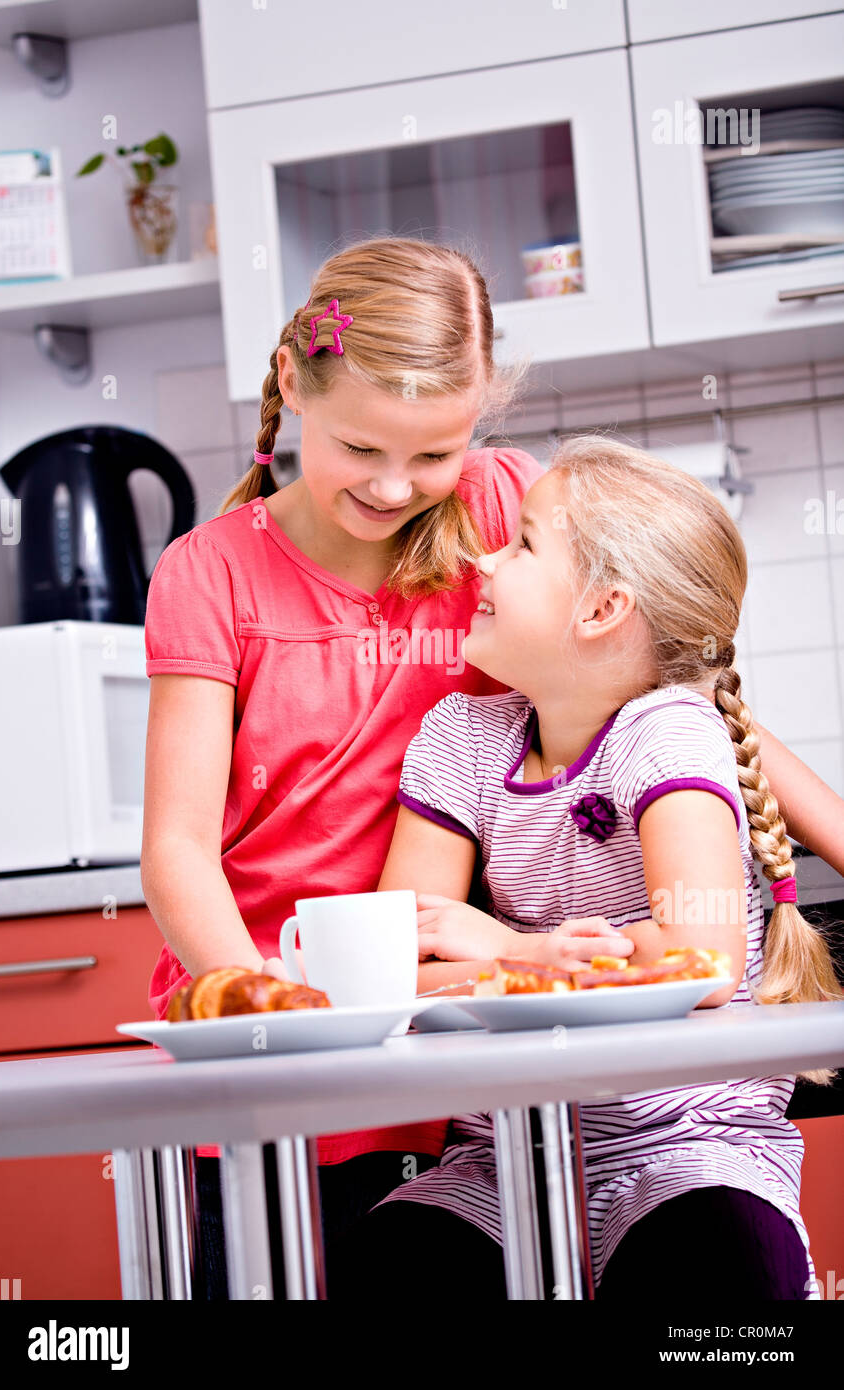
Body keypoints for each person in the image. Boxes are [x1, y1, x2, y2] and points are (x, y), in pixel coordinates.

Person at [140, 234, 843, 1298]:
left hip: (451, 1045)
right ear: (291, 383)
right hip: (281, 1026)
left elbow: (676, 685)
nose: (395, 487)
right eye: (358, 448)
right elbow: (179, 846)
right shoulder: (210, 572)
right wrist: (269, 1005)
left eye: (432, 454)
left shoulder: (498, 503)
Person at [328, 432, 844, 1302]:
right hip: (500, 1160)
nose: (484, 559)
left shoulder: (667, 731)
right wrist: (512, 960)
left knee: (721, 1275)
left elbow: (702, 960)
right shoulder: (460, 740)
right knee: (390, 1271)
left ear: (602, 608)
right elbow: (396, 969)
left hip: (690, 1147)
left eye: (523, 543)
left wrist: (510, 953)